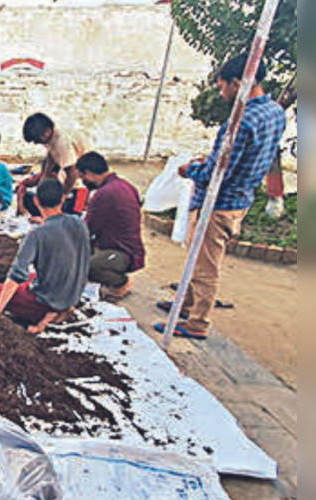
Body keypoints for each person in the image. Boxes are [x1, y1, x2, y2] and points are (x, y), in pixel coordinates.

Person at [156, 55, 287, 340]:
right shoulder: (275, 112)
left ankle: (197, 322)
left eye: (221, 87)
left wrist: (189, 170)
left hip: (219, 203)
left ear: (237, 83)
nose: (221, 93)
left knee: (205, 265)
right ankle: (186, 304)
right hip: (240, 198)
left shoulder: (241, 122)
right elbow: (243, 159)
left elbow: (217, 173)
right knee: (198, 257)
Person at [0, 179, 91, 334]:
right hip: (73, 293)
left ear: (36, 201)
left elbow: (16, 275)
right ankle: (60, 309)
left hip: (48, 301)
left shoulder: (36, 235)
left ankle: (51, 314)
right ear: (62, 199)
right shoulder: (79, 223)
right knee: (32, 277)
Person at [77, 152, 145, 302]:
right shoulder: (125, 185)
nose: (83, 182)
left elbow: (88, 229)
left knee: (85, 266)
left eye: (83, 177)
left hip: (124, 252)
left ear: (89, 173)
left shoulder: (104, 194)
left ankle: (121, 283)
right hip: (120, 246)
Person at [18, 113, 89, 218]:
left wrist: (63, 195)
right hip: (66, 185)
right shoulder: (53, 138)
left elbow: (72, 173)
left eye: (37, 140)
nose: (37, 143)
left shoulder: (62, 142)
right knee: (31, 201)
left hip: (79, 188)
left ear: (47, 131)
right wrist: (42, 184)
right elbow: (49, 163)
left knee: (66, 218)